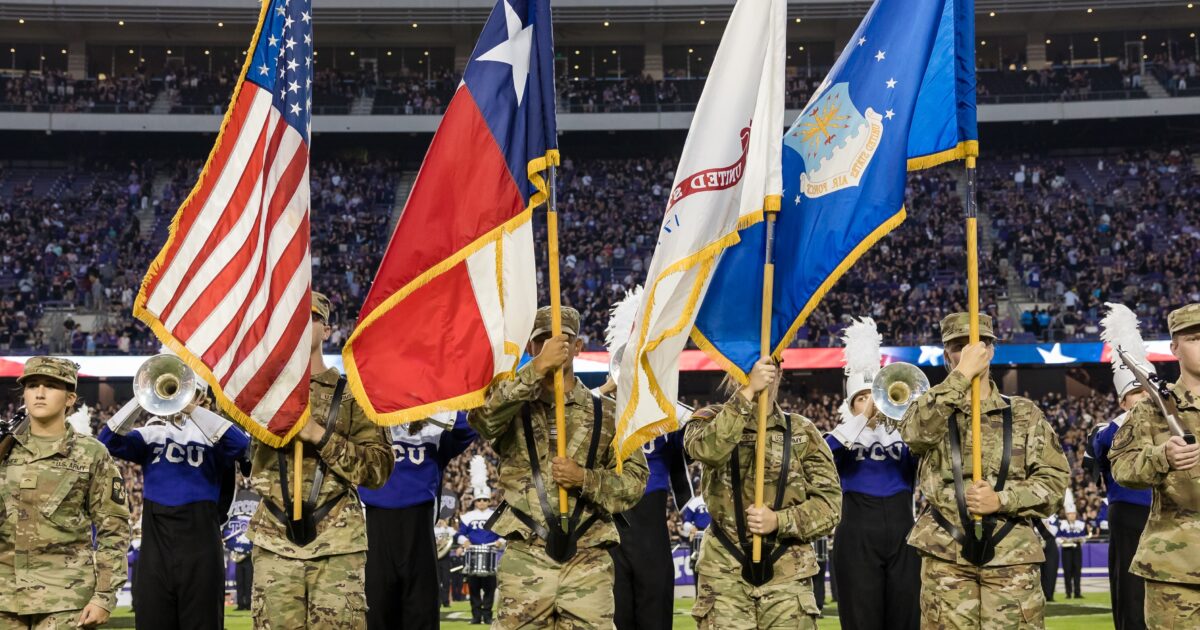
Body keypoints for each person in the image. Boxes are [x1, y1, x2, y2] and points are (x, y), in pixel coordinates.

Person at [468, 305, 649, 629]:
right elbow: (482, 419)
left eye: (563, 339)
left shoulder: (608, 414)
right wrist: (535, 369)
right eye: (542, 340)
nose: (554, 346)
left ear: (577, 347)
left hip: (587, 561)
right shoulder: (512, 408)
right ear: (531, 348)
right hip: (526, 557)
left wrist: (586, 479)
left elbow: (634, 485)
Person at [900, 313, 1070, 628]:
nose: (968, 352)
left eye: (976, 345)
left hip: (1012, 558)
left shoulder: (1023, 414)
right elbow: (914, 435)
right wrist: (962, 374)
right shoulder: (927, 408)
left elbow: (1055, 486)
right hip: (945, 557)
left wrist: (1002, 501)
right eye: (957, 347)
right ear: (946, 355)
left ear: (991, 350)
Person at [246, 291, 392, 629]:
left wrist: (319, 435)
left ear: (326, 330)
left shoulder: (354, 392)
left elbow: (378, 469)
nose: (300, 325)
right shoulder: (259, 391)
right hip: (274, 541)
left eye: (310, 318)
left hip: (336, 545)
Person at [684, 356, 842, 629]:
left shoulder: (803, 431)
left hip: (788, 573)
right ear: (734, 375)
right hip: (723, 573)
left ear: (779, 373)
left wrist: (779, 521)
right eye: (748, 369)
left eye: (769, 368)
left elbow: (830, 506)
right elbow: (707, 450)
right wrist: (746, 394)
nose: (761, 375)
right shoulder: (706, 419)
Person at [98, 384, 249, 630]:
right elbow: (106, 441)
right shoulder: (151, 433)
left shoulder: (215, 437)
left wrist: (191, 408)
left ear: (200, 395)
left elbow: (241, 445)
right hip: (156, 547)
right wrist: (142, 397)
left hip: (202, 548)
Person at [0, 357, 131, 629]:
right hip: (4, 598)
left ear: (70, 398)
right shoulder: (4, 450)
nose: (39, 392)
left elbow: (113, 529)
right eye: (32, 385)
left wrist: (104, 596)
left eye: (50, 386)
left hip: (66, 600)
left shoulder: (92, 453)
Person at [600, 286, 694, 630]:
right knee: (615, 613)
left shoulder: (665, 418)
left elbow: (679, 472)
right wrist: (606, 393)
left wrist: (690, 507)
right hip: (611, 520)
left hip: (653, 519)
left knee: (655, 611)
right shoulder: (598, 414)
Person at [825, 318, 920, 630]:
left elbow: (925, 450)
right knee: (860, 619)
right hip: (856, 533)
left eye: (873, 395)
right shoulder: (841, 435)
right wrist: (862, 419)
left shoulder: (903, 435)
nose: (870, 404)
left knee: (906, 619)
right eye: (861, 398)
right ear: (851, 405)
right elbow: (825, 454)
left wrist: (901, 416)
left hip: (904, 530)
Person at [1110, 303, 1200, 629]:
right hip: (1175, 569)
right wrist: (1162, 457)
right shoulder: (1151, 409)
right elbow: (1121, 468)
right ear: (1174, 347)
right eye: (1195, 338)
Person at [358, 411, 476, 630]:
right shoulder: (365, 422)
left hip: (419, 528)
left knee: (422, 615)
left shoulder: (435, 427)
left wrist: (427, 400)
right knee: (375, 615)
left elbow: (469, 426)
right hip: (371, 527)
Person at [1092, 302, 1154, 629]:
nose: (1143, 397)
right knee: (1131, 593)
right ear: (1122, 400)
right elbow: (1103, 447)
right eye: (1136, 392)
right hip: (1130, 512)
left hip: (1169, 511)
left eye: (1148, 391)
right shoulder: (1109, 429)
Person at [458, 473, 500, 626]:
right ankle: (476, 616)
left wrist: (500, 542)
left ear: (489, 501)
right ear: (475, 501)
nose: (482, 502)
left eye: (485, 500)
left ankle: (487, 616)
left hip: (490, 557)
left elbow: (502, 534)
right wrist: (465, 541)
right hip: (473, 557)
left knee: (489, 589)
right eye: (479, 500)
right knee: (474, 589)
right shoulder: (467, 516)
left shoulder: (495, 515)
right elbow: (459, 535)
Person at [224, 481, 259, 611]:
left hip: (249, 554)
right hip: (238, 555)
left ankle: (248, 603)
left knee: (249, 582)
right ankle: (240, 604)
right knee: (240, 581)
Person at [1057, 510, 1086, 599]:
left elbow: (1084, 537)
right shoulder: (1062, 524)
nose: (1072, 516)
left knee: (1077, 570)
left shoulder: (1080, 524)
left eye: (1073, 514)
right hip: (1066, 549)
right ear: (1066, 515)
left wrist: (1080, 539)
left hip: (1077, 548)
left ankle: (1077, 592)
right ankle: (1068, 593)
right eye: (1070, 514)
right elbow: (1058, 537)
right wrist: (1064, 540)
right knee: (1067, 571)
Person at [435, 518, 456, 608]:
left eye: (442, 519)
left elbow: (456, 535)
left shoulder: (449, 529)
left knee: (446, 581)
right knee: (436, 581)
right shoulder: (432, 528)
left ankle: (446, 601)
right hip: (435, 557)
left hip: (445, 558)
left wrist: (446, 527)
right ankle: (438, 601)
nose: (440, 521)